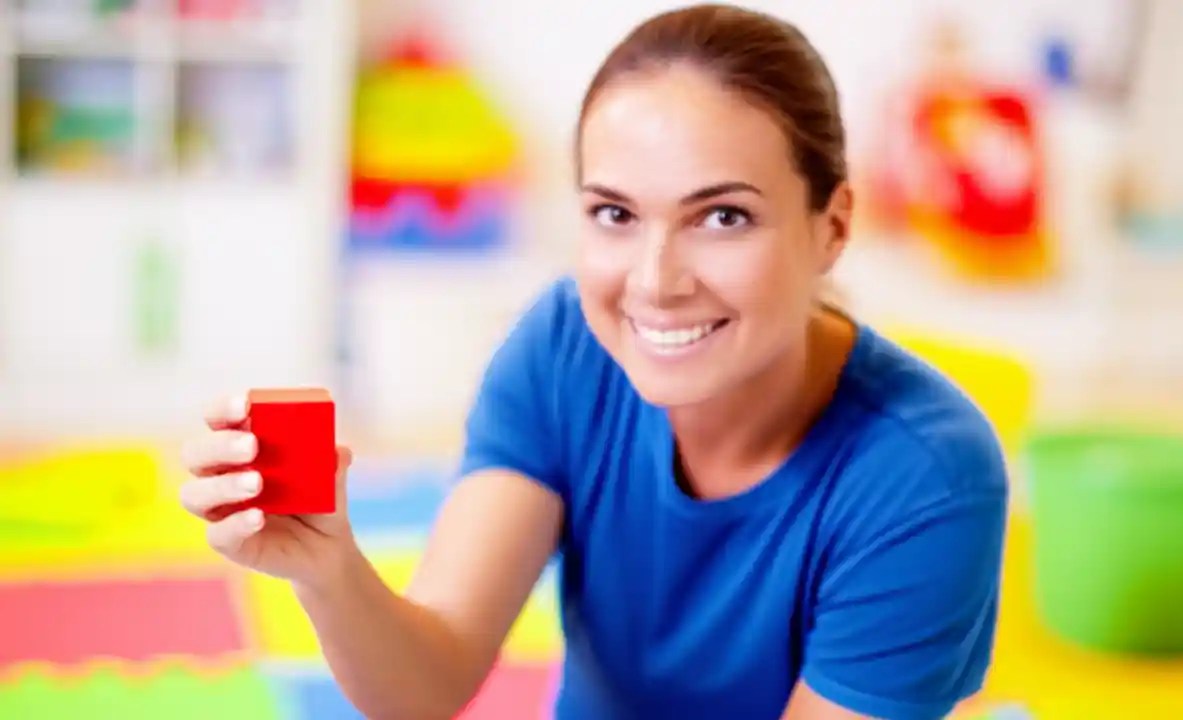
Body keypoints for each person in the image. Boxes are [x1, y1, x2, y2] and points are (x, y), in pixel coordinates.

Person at [179, 5, 1008, 719]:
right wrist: (329, 572)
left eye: (722, 217)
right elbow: (426, 680)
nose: (654, 281)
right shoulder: (563, 349)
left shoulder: (926, 474)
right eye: (615, 213)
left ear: (832, 226)